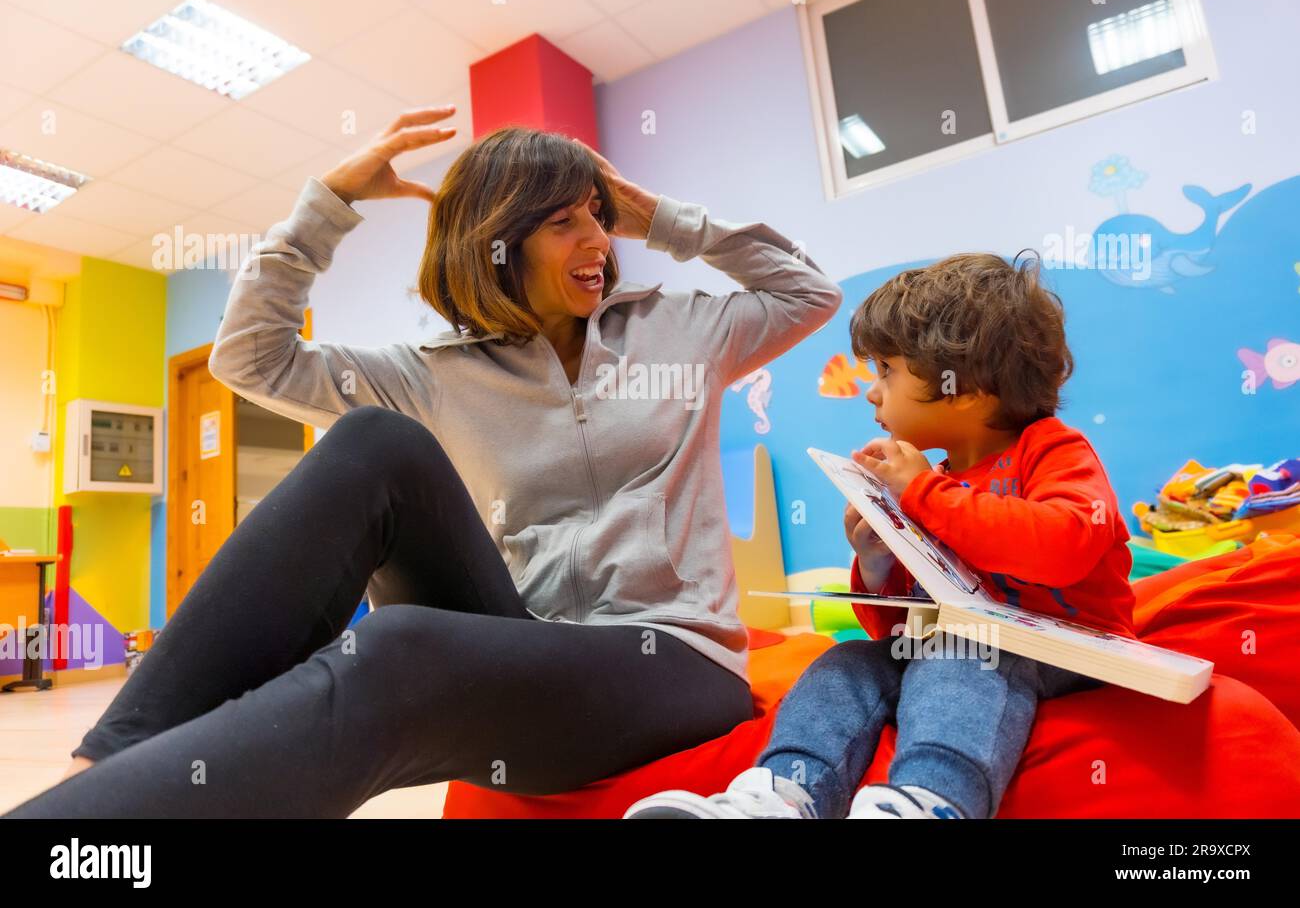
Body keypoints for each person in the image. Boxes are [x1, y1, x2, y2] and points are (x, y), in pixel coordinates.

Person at [3, 107, 842, 817]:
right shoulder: (438, 374)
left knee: (400, 645)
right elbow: (251, 358)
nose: (597, 239)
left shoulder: (678, 330)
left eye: (599, 215)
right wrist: (327, 204)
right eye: (564, 222)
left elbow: (811, 291)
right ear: (499, 247)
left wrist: (655, 214)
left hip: (676, 663)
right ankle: (105, 765)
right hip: (532, 651)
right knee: (374, 442)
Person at [624, 252, 1134, 820]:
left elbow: (1062, 548)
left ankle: (931, 801)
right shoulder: (936, 482)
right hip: (957, 646)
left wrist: (923, 495)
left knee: (962, 649)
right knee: (849, 662)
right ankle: (778, 798)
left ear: (963, 387)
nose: (872, 391)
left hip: (1069, 652)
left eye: (886, 370)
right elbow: (902, 625)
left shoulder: (1051, 450)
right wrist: (876, 561)